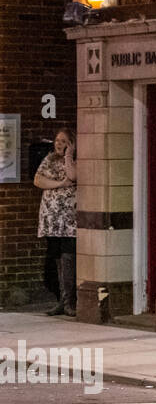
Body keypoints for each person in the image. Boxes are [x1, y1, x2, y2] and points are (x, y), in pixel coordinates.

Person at [33, 129, 77, 317]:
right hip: (51, 217)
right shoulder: (49, 159)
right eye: (57, 141)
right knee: (55, 257)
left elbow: (73, 176)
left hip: (68, 218)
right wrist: (59, 184)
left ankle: (69, 302)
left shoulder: (75, 160)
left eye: (64, 141)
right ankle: (60, 299)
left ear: (72, 143)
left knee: (68, 257)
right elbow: (38, 180)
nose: (59, 144)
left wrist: (69, 155)